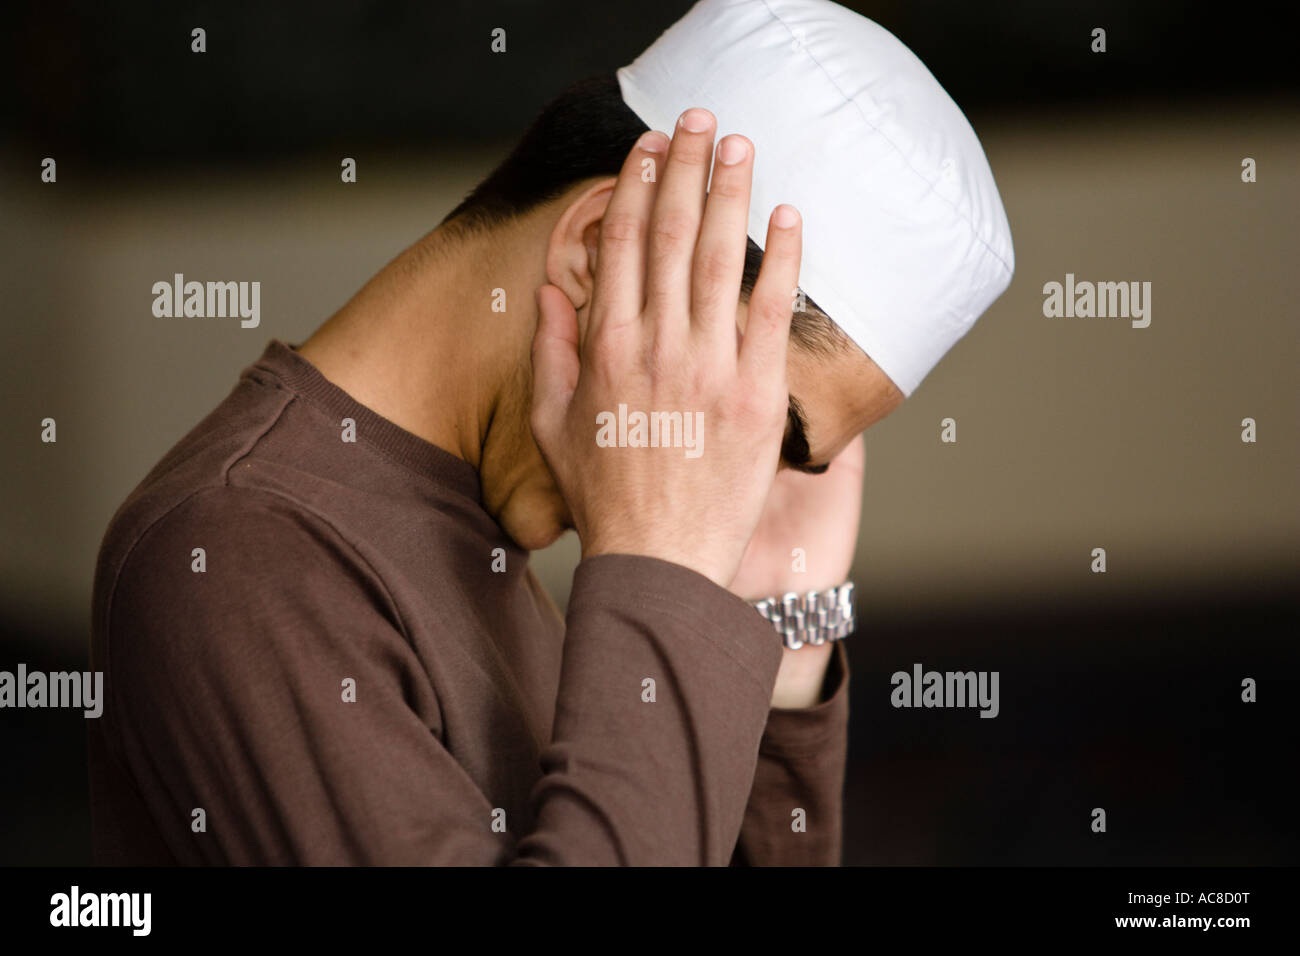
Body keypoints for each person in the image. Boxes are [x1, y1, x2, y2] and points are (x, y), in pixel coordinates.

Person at [89, 0, 1012, 865]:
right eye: (761, 423)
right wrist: (670, 567)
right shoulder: (239, 551)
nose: (736, 480)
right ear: (597, 248)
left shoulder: (500, 554)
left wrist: (777, 622)